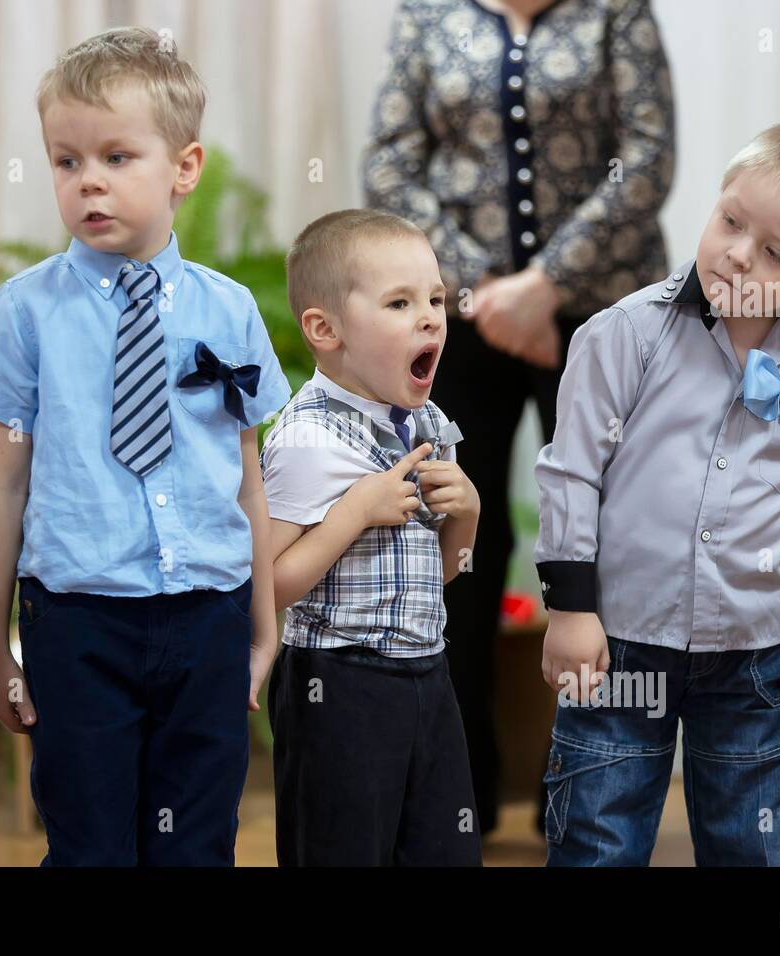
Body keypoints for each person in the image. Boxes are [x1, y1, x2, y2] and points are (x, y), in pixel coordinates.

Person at [0, 28, 291, 866]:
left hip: (209, 618)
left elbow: (247, 480)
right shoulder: (23, 315)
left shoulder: (230, 311)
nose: (89, 181)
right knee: (90, 845)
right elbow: (1, 490)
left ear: (184, 168)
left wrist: (262, 630)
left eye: (116, 156)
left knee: (198, 845)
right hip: (77, 623)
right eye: (67, 162)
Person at [363, 0, 675, 833]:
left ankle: (591, 789)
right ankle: (455, 788)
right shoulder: (425, 15)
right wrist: (487, 294)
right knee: (455, 532)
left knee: (609, 528)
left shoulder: (616, 11)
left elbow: (648, 160)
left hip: (605, 311)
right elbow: (391, 167)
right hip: (459, 319)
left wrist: (548, 286)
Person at [535, 121, 780, 865]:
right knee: (599, 830)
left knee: (754, 841)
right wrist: (570, 607)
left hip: (756, 652)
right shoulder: (622, 336)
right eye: (730, 221)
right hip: (620, 643)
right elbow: (571, 474)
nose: (737, 253)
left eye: (776, 253)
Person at [263, 208, 482, 865]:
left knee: (444, 848)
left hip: (427, 675)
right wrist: (352, 514)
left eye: (436, 299)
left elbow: (440, 574)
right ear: (325, 330)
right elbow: (265, 584)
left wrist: (467, 513)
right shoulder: (308, 436)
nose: (429, 317)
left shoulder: (431, 423)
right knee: (341, 848)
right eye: (399, 302)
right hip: (336, 682)